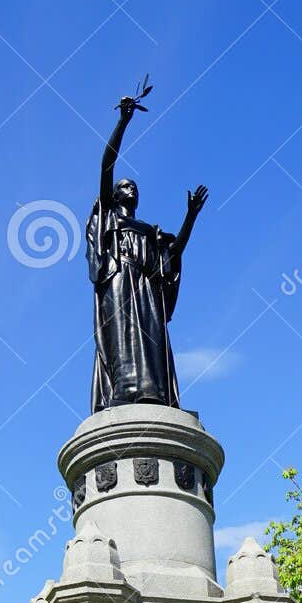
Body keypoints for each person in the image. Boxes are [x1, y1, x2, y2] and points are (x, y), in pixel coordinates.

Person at [87, 85, 209, 411]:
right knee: (121, 338)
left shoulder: (151, 232)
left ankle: (152, 393)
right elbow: (106, 166)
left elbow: (175, 252)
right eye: (126, 185)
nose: (131, 188)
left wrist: (191, 216)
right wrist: (124, 122)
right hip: (119, 278)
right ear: (114, 195)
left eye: (135, 186)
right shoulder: (109, 219)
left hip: (146, 286)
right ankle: (123, 392)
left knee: (151, 344)